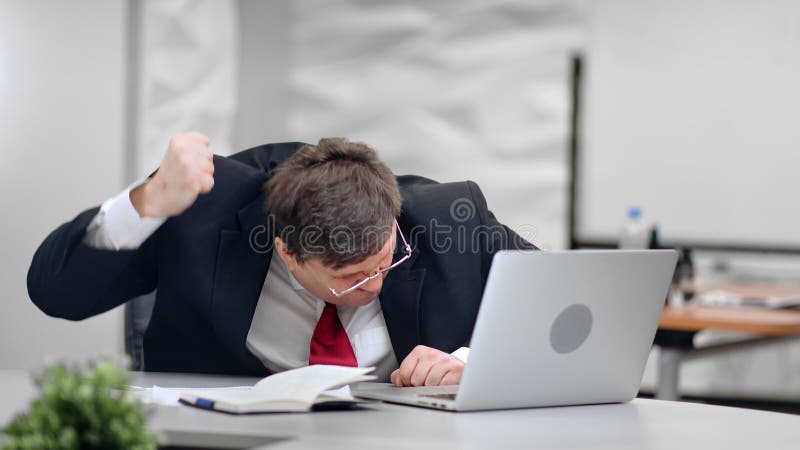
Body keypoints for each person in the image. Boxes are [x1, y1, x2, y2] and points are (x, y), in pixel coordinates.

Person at [27, 133, 535, 386]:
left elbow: (566, 304)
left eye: (386, 261)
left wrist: (472, 362)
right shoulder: (204, 214)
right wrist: (147, 202)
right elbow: (55, 292)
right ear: (287, 251)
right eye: (349, 279)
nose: (375, 284)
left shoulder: (448, 219)